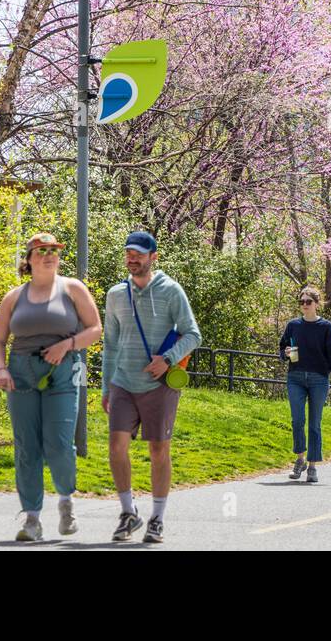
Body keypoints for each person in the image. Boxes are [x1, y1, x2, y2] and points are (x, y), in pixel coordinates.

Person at [0, 232, 103, 541]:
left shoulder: (72, 289)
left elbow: (95, 329)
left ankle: (66, 500)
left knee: (59, 443)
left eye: (53, 250)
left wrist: (67, 345)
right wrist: (1, 369)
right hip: (21, 374)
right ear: (29, 259)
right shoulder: (14, 297)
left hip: (62, 373)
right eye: (41, 251)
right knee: (27, 446)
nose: (48, 255)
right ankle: (32, 519)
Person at [102, 231, 203, 543]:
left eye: (139, 254)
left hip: (158, 385)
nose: (133, 259)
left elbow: (193, 334)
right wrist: (106, 387)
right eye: (129, 253)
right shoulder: (116, 294)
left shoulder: (171, 291)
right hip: (122, 383)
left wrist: (168, 359)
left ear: (153, 257)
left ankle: (157, 518)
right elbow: (110, 344)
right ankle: (128, 512)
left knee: (158, 449)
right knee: (116, 447)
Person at [279, 286, 331, 481]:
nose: (305, 305)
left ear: (317, 304)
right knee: (297, 420)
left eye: (308, 302)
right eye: (302, 302)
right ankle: (299, 459)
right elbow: (282, 348)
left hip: (319, 380)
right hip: (296, 378)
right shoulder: (293, 325)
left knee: (314, 424)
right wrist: (285, 352)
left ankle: (312, 466)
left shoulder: (326, 327)